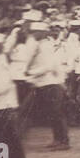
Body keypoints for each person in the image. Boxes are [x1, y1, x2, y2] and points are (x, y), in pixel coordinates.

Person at [25, 21, 70, 150]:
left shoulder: (45, 46)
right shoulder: (38, 45)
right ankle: (58, 139)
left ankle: (63, 141)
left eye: (36, 33)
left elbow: (48, 66)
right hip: (42, 83)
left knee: (56, 113)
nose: (34, 35)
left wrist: (30, 73)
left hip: (50, 83)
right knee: (52, 113)